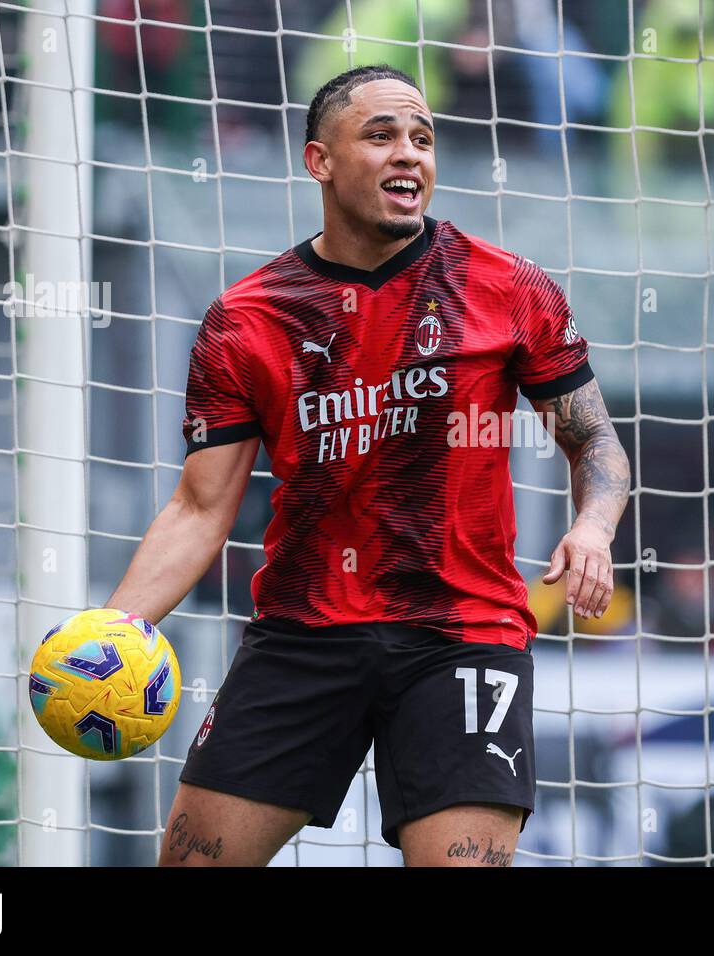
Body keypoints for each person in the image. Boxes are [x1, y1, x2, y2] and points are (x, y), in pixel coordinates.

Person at [106, 64, 630, 866]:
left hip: (462, 638)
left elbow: (593, 441)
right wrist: (112, 631)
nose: (409, 153)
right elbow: (201, 507)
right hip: (301, 636)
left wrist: (594, 526)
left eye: (422, 138)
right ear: (319, 160)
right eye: (381, 135)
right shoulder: (246, 320)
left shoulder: (507, 288)